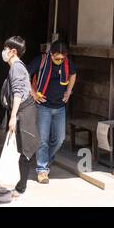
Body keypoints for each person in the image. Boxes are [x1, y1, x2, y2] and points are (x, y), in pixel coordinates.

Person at [0, 35, 38, 204]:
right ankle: (13, 183)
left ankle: (19, 189)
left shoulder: (16, 67)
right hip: (23, 111)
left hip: (23, 113)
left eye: (6, 49)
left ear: (13, 51)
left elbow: (18, 94)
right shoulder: (17, 67)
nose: (3, 52)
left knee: (23, 152)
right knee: (18, 150)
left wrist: (13, 116)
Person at [31, 40, 77, 184]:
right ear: (51, 54)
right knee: (43, 140)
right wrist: (33, 93)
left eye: (62, 58)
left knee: (59, 139)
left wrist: (69, 91)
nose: (60, 61)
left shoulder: (67, 63)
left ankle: (45, 159)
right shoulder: (42, 60)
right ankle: (42, 169)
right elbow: (24, 73)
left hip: (60, 107)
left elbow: (73, 75)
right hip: (43, 106)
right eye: (57, 58)